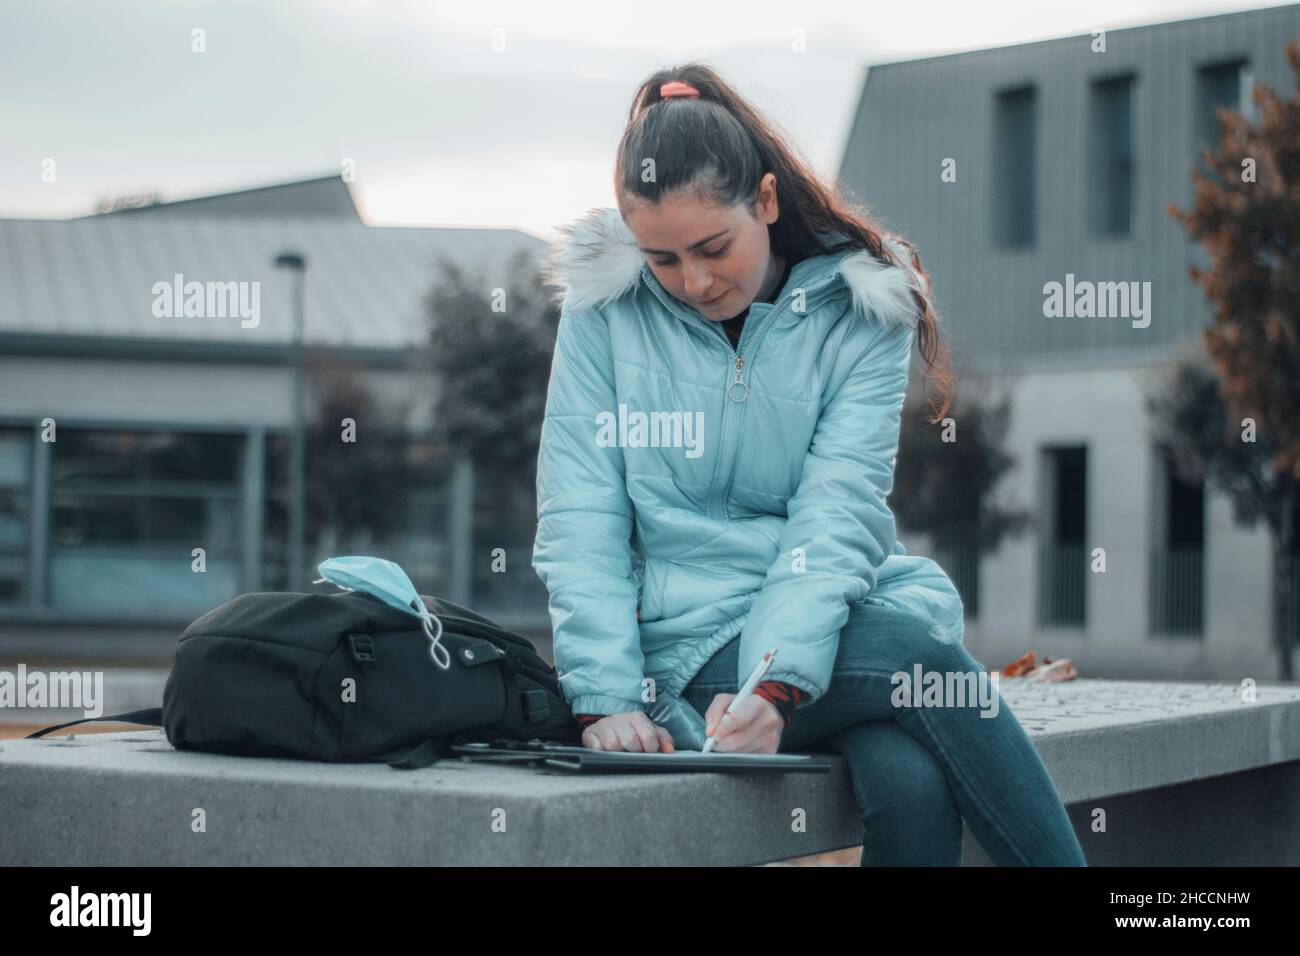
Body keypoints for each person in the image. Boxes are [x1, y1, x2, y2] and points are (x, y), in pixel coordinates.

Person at [533, 63, 1086, 866]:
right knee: (922, 665)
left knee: (910, 785)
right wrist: (606, 698)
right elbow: (581, 514)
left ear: (764, 200)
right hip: (683, 645)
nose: (693, 281)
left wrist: (776, 683)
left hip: (821, 625)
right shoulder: (602, 311)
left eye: (713, 247)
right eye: (662, 259)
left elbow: (837, 509)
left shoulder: (859, 310)